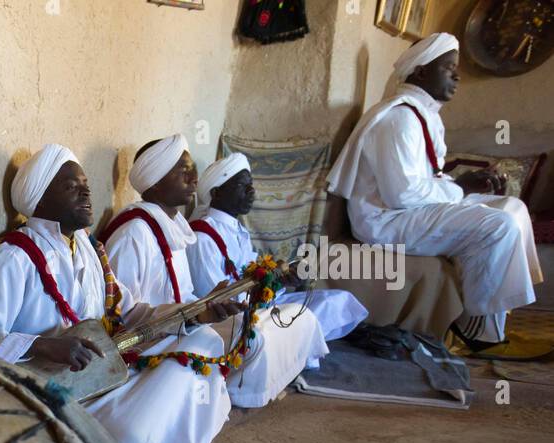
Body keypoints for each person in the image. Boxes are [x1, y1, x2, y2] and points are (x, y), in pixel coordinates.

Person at [0, 144, 229, 443]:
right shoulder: (14, 256)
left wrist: (197, 312)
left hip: (103, 375)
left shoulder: (89, 248)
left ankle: (130, 441)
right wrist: (42, 345)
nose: (86, 192)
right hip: (51, 395)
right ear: (39, 200)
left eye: (85, 184)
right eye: (71, 187)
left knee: (205, 341)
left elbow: (130, 313)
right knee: (133, 438)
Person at [327, 33, 542, 354]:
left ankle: (495, 318)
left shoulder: (422, 113)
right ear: (421, 71)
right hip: (386, 221)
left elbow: (425, 181)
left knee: (513, 208)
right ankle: (479, 330)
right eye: (448, 68)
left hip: (408, 211)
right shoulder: (398, 119)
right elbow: (404, 196)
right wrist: (461, 187)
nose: (457, 75)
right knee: (499, 227)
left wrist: (462, 187)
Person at [101, 135, 327, 408]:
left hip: (180, 322)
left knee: (276, 324)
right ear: (156, 182)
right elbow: (121, 316)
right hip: (151, 336)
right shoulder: (133, 233)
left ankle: (238, 391)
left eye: (192, 168)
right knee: (248, 336)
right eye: (182, 171)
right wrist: (198, 312)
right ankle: (233, 394)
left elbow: (184, 294)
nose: (194, 177)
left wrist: (208, 305)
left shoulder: (171, 226)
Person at [189, 152, 368, 363]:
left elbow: (251, 270)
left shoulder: (235, 228)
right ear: (217, 193)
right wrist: (269, 287)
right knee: (305, 320)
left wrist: (280, 278)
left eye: (251, 184)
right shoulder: (203, 238)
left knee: (335, 301)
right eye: (242, 186)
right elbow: (216, 300)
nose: (251, 191)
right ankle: (296, 351)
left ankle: (298, 348)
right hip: (233, 319)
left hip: (260, 304)